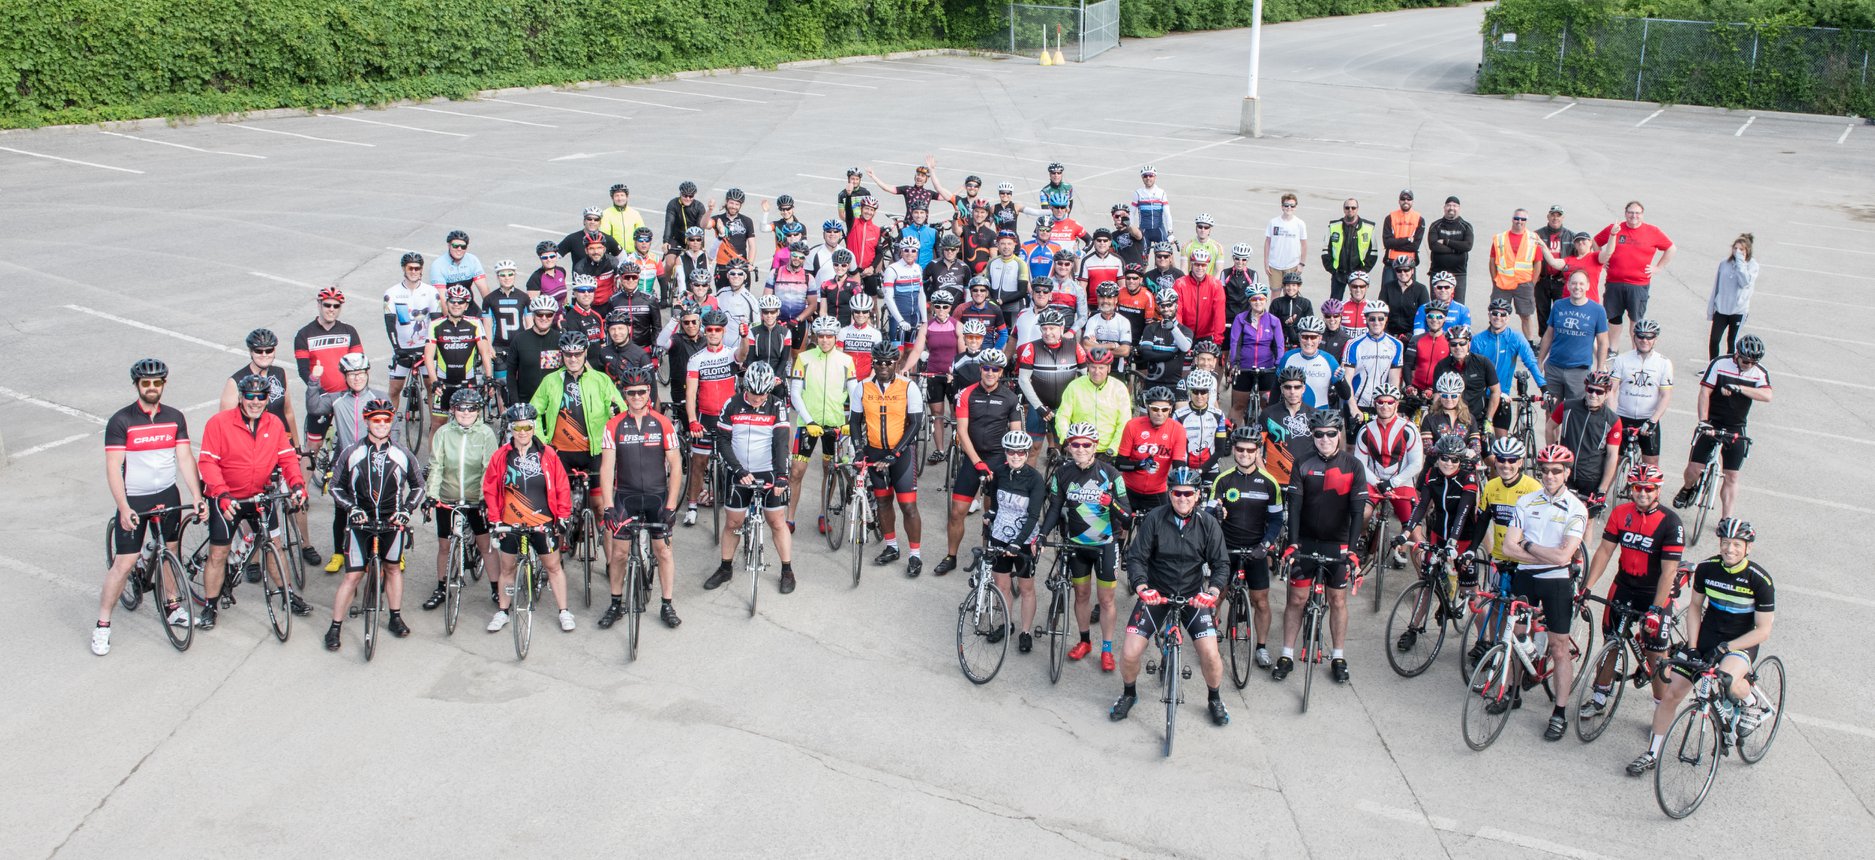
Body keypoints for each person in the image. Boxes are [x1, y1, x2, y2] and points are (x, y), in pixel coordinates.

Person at [1625, 518, 1774, 776]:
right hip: (1707, 637)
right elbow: (1695, 607)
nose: (1729, 549)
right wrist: (1693, 647)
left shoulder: (1759, 580)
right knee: (1672, 694)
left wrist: (1727, 647)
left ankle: (1750, 702)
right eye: (1725, 543)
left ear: (1748, 548)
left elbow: (1763, 631)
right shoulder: (1707, 568)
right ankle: (1652, 753)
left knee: (1728, 678)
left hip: (1740, 642)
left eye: (1736, 544)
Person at [96, 359, 206, 654]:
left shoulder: (175, 417)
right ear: (137, 385)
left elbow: (185, 458)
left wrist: (197, 495)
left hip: (167, 495)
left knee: (170, 550)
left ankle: (172, 606)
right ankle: (103, 624)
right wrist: (123, 507)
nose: (152, 387)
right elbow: (113, 467)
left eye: (157, 382)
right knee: (124, 563)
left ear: (163, 384)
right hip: (135, 498)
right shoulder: (121, 421)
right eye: (146, 383)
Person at [1109, 466, 1234, 726]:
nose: (1182, 498)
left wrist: (1212, 592)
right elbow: (1137, 558)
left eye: (1188, 493)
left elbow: (1221, 564)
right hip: (1157, 595)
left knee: (1211, 654)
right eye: (1177, 493)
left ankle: (1214, 699)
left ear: (1197, 495)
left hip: (1193, 596)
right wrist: (1142, 588)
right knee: (1130, 652)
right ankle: (1129, 694)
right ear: (1169, 493)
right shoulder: (1155, 519)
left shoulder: (1207, 523)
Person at [1496, 444, 1590, 740]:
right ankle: (1512, 692)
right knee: (1515, 638)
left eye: (1556, 471)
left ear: (1567, 473)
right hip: (1526, 578)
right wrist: (1544, 555)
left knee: (1559, 648)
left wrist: (1527, 546)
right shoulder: (1526, 501)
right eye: (1545, 470)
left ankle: (1559, 712)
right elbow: (1508, 547)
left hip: (1557, 582)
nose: (1549, 476)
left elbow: (1564, 557)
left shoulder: (1576, 508)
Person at [1579, 463, 1684, 719]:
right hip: (1624, 586)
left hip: (1654, 592)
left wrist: (1656, 609)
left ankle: (1661, 708)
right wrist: (1587, 587)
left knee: (1655, 655)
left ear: (1658, 490)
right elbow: (1605, 551)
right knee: (1611, 643)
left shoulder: (1671, 523)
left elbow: (1669, 572)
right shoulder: (1620, 513)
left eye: (1649, 488)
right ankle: (1599, 696)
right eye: (1638, 488)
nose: (1643, 493)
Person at [324, 398, 424, 652]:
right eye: (376, 420)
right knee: (352, 575)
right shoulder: (352, 452)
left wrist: (406, 510)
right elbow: (335, 487)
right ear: (366, 421)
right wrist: (352, 508)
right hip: (361, 522)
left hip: (392, 521)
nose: (381, 424)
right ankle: (335, 627)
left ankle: (395, 616)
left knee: (393, 569)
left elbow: (419, 486)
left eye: (386, 419)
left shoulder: (402, 454)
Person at [1273, 410, 1365, 684]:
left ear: (1339, 435)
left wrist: (1352, 550)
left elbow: (1357, 512)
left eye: (1331, 434)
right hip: (1306, 541)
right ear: (1312, 436)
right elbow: (1295, 506)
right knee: (1296, 600)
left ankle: (1338, 656)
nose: (1325, 439)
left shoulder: (1353, 466)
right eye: (1319, 434)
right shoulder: (1302, 463)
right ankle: (1287, 654)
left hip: (1338, 543)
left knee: (1337, 600)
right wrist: (1292, 543)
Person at [1040, 422, 1133, 671]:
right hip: (1077, 545)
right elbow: (1055, 508)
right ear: (1068, 447)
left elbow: (1127, 516)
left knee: (1106, 600)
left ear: (1095, 446)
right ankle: (1084, 641)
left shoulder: (1111, 474)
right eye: (1075, 444)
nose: (1080, 449)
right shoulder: (1062, 473)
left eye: (1086, 444)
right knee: (1081, 595)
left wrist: (1111, 503)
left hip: (1105, 545)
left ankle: (1107, 649)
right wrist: (1042, 534)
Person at [222, 329, 318, 566]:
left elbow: (288, 412)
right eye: (259, 351)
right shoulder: (236, 382)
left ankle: (305, 543)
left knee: (296, 494)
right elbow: (226, 425)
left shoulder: (279, 373)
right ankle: (254, 558)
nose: (264, 354)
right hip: (253, 451)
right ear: (251, 352)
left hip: (279, 444)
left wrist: (297, 447)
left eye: (269, 350)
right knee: (253, 503)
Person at [480, 403, 576, 635]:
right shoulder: (501, 456)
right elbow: (490, 489)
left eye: (527, 427)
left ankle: (564, 611)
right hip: (510, 522)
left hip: (542, 521)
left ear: (533, 428)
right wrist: (495, 520)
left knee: (553, 566)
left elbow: (562, 486)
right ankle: (503, 611)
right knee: (507, 568)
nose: (522, 432)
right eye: (517, 427)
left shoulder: (547, 454)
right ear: (510, 429)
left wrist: (563, 516)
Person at [703, 362, 797, 592]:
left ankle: (787, 571)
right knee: (733, 523)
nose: (757, 398)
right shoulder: (732, 404)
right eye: (754, 393)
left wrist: (782, 476)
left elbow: (781, 443)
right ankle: (725, 567)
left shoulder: (776, 406)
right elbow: (723, 441)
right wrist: (737, 469)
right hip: (739, 472)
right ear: (746, 387)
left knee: (777, 521)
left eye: (763, 394)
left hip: (768, 470)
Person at [530, 331, 625, 542]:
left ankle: (611, 558)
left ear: (585, 353)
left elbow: (621, 409)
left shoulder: (600, 380)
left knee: (600, 507)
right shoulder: (550, 381)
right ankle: (558, 549)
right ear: (562, 355)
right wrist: (542, 441)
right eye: (568, 354)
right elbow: (532, 413)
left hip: (594, 452)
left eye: (578, 354)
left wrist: (616, 412)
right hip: (560, 452)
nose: (573, 359)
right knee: (558, 508)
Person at [937, 348, 1020, 575]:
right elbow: (962, 432)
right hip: (973, 459)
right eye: (986, 368)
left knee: (991, 514)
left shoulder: (1010, 398)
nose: (990, 373)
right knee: (957, 512)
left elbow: (1016, 434)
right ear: (980, 369)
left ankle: (988, 555)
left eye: (995, 369)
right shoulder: (967, 393)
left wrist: (1011, 463)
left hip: (998, 459)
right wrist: (976, 462)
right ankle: (951, 556)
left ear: (1001, 372)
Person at [1210, 426, 1286, 668]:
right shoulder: (1223, 480)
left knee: (1260, 601)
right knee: (1217, 595)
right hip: (1227, 548)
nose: (1244, 454)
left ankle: (1261, 647)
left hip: (1256, 548)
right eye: (1240, 449)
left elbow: (1276, 520)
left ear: (1258, 452)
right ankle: (1210, 637)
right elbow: (1209, 515)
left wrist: (1266, 545)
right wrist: (1216, 513)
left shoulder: (1269, 483)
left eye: (1250, 450)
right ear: (1233, 450)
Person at [1673, 334, 1771, 519]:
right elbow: (1705, 392)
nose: (1749, 365)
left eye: (1753, 362)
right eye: (1745, 361)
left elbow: (1767, 395)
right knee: (1694, 468)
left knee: (1732, 476)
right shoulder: (1719, 363)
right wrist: (1703, 421)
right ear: (1737, 354)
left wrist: (1740, 388)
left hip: (1736, 425)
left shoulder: (1759, 372)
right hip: (1713, 422)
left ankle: (1726, 519)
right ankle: (1687, 488)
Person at [307, 353, 387, 573]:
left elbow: (394, 429)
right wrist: (314, 380)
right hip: (346, 465)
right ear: (344, 376)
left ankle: (393, 554)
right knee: (341, 512)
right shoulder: (337, 399)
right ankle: (338, 554)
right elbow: (314, 407)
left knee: (381, 511)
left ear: (367, 373)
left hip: (374, 463)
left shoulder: (379, 398)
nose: (357, 378)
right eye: (352, 374)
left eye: (360, 373)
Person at [421, 388, 499, 612]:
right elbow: (436, 466)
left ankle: (496, 588)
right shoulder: (444, 433)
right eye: (461, 408)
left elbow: (489, 469)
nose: (466, 413)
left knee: (485, 545)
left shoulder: (486, 434)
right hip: (448, 496)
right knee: (444, 546)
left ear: (478, 411)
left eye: (471, 408)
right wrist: (431, 496)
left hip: (476, 498)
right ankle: (441, 587)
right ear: (453, 410)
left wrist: (484, 499)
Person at [851, 345, 926, 576]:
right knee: (883, 502)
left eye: (888, 362)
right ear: (873, 362)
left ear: (897, 363)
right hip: (874, 453)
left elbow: (916, 423)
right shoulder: (863, 387)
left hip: (902, 455)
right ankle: (891, 546)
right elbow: (855, 422)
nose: (883, 366)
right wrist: (859, 449)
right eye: (879, 362)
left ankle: (915, 555)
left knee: (908, 506)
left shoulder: (909, 387)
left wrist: (896, 453)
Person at [1396, 434, 1481, 622]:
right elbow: (1421, 506)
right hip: (1438, 535)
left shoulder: (1467, 478)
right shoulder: (1432, 475)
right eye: (1445, 458)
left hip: (1463, 539)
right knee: (1427, 582)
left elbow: (1463, 513)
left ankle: (1483, 637)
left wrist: (1452, 542)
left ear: (1460, 460)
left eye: (1454, 459)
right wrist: (1406, 532)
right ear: (1438, 457)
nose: (1449, 463)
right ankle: (1413, 627)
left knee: (1471, 592)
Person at [978, 430, 1048, 651]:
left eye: (1020, 452)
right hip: (1000, 535)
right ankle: (1007, 624)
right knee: (1002, 586)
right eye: (1011, 452)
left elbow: (1033, 516)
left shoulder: (1035, 480)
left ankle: (1025, 632)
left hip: (1024, 539)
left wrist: (1018, 543)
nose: (1015, 456)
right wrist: (991, 515)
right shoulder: (999, 472)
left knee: (1026, 588)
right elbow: (995, 502)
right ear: (1005, 452)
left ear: (1026, 453)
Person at [789, 316, 857, 530]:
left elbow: (855, 394)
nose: (825, 340)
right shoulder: (804, 358)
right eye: (821, 336)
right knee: (796, 471)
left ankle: (823, 514)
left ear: (835, 337)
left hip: (835, 425)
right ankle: (789, 519)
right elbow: (795, 394)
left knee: (829, 470)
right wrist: (809, 420)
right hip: (808, 424)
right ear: (815, 337)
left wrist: (851, 421)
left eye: (829, 336)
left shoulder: (846, 361)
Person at [683, 309, 745, 521]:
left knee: (735, 461)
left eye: (717, 330)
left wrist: (745, 337)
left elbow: (743, 354)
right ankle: (692, 507)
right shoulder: (696, 359)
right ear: (705, 331)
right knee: (698, 463)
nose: (713, 333)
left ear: (723, 331)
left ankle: (737, 501)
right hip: (706, 417)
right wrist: (692, 420)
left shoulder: (730, 353)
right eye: (709, 329)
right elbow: (691, 393)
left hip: (729, 418)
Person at [1596, 201, 1675, 349]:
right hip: (1614, 282)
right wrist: (1601, 259)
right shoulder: (1615, 229)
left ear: (1642, 215)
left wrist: (1658, 268)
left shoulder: (1652, 231)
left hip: (1638, 284)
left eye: (1637, 213)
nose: (1634, 216)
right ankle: (1613, 349)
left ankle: (1635, 350)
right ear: (1625, 213)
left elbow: (1671, 248)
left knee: (1635, 319)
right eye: (1631, 212)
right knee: (1614, 318)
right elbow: (1595, 242)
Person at [295, 287, 366, 449]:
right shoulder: (304, 334)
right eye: (327, 305)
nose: (331, 309)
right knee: (314, 445)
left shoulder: (349, 331)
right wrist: (319, 392)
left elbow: (359, 365)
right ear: (319, 304)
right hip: (321, 397)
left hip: (347, 396)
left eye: (336, 306)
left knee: (354, 441)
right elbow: (303, 370)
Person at [1547, 371, 1622, 515]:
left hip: (1590, 477)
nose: (1593, 395)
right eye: (1590, 389)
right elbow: (1550, 427)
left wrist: (1603, 489)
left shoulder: (1613, 420)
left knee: (1586, 520)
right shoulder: (1567, 406)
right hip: (1565, 472)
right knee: (1557, 515)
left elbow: (1612, 456)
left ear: (1607, 394)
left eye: (1599, 392)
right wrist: (1553, 454)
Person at [424, 284, 495, 431]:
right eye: (453, 301)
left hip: (468, 384)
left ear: (466, 305)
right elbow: (428, 356)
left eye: (460, 301)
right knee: (437, 425)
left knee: (472, 425)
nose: (456, 305)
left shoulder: (475, 323)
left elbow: (485, 352)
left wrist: (489, 378)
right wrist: (434, 381)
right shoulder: (436, 325)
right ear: (447, 303)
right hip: (443, 384)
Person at [1605, 318, 1673, 469]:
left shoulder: (1664, 363)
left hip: (1648, 419)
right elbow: (1611, 390)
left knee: (1651, 464)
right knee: (1614, 460)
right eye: (1641, 336)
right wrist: (1612, 415)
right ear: (1634, 337)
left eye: (1649, 337)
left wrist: (1653, 420)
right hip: (1623, 416)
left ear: (1655, 339)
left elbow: (1665, 395)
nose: (1645, 340)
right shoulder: (1622, 359)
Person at [1015, 309, 1087, 451]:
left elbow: (1085, 379)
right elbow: (1023, 380)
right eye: (1044, 328)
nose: (1048, 332)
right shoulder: (1031, 347)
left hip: (1065, 406)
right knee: (1034, 448)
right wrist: (1039, 407)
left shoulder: (1074, 347)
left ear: (1061, 328)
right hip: (1038, 405)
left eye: (1052, 328)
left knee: (1065, 447)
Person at [1469, 298, 1542, 438]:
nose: (1498, 317)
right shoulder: (1478, 340)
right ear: (1489, 315)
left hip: (1503, 396)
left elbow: (1531, 363)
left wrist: (1543, 387)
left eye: (1503, 314)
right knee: (1479, 439)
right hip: (1482, 396)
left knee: (1502, 441)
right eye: (1495, 313)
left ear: (1508, 318)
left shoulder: (1516, 338)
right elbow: (1471, 370)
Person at [1536, 270, 1610, 403]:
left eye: (1581, 284)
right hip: (1554, 368)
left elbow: (1603, 342)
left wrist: (1600, 368)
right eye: (1574, 283)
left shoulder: (1598, 310)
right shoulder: (1558, 305)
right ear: (1568, 285)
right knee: (1551, 408)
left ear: (1588, 286)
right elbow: (1548, 334)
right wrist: (1540, 361)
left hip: (1579, 371)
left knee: (1576, 410)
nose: (1577, 287)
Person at [1116, 385, 1187, 513]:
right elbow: (1119, 464)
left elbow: (1178, 466)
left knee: (1159, 525)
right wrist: (1141, 464)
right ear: (1147, 407)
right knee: (1121, 524)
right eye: (1155, 409)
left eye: (1164, 409)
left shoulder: (1178, 430)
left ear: (1170, 410)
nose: (1160, 413)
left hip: (1157, 493)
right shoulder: (1133, 425)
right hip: (1128, 489)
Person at [383, 252, 440, 410]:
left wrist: (434, 347)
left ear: (421, 269)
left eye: (417, 268)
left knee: (432, 387)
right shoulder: (391, 293)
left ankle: (434, 423)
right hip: (402, 348)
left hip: (425, 347)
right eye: (410, 268)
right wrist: (396, 348)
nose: (414, 271)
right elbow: (390, 324)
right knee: (394, 390)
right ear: (404, 268)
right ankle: (391, 423)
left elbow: (436, 322)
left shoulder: (431, 291)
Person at [1054, 347, 1131, 459]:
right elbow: (1062, 416)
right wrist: (1066, 440)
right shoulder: (1074, 386)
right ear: (1088, 367)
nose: (1097, 371)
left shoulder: (1119, 388)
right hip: (1080, 448)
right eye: (1093, 367)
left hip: (1107, 450)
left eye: (1101, 367)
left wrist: (1112, 449)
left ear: (1109, 368)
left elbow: (1124, 422)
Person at [1431, 327, 1499, 451]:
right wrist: (1435, 419)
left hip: (1478, 418)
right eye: (1453, 344)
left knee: (1491, 457)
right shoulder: (1441, 366)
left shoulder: (1483, 363)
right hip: (1452, 421)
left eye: (1462, 343)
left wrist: (1489, 420)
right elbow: (1437, 396)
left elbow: (1495, 391)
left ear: (1469, 344)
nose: (1458, 347)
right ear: (1449, 346)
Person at [1227, 283, 1286, 423]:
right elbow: (1235, 343)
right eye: (1254, 299)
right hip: (1244, 367)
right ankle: (1231, 435)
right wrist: (1235, 363)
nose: (1258, 302)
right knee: (1238, 405)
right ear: (1249, 301)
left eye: (1261, 298)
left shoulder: (1274, 321)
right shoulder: (1240, 319)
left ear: (1266, 300)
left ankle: (1268, 435)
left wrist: (1279, 366)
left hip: (1267, 368)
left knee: (1268, 405)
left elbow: (1279, 345)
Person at [1340, 300, 1404, 416]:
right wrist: (1353, 407)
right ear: (1366, 320)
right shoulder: (1353, 344)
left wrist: (1394, 407)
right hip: (1357, 403)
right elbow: (1347, 378)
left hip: (1382, 404)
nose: (1376, 322)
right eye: (1372, 319)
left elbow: (1394, 380)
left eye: (1380, 318)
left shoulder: (1396, 345)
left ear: (1386, 319)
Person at [1255, 366, 1316, 487]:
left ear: (1303, 389)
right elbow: (1254, 448)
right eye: (1288, 387)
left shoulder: (1315, 415)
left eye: (1297, 387)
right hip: (1275, 482)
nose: (1292, 391)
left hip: (1306, 481)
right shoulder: (1268, 414)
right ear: (1281, 389)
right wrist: (1265, 476)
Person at [1488, 209, 1543, 339]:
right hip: (1502, 284)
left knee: (1526, 315)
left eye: (1523, 219)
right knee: (1497, 314)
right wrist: (1495, 279)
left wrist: (1532, 283)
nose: (1519, 221)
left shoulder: (1533, 238)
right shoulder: (1499, 238)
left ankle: (1529, 343)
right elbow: (1492, 261)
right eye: (1517, 218)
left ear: (1526, 221)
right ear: (1512, 219)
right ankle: (1495, 340)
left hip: (1524, 284)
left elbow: (1538, 262)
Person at [504, 296, 565, 408]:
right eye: (540, 314)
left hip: (554, 403)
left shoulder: (561, 340)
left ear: (554, 316)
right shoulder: (519, 340)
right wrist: (515, 403)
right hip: (526, 403)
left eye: (549, 314)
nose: (544, 318)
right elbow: (511, 374)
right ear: (533, 315)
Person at [1706, 233, 1758, 360]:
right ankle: (1713, 364)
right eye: (1735, 248)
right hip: (1721, 309)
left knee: (1732, 342)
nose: (1737, 252)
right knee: (1714, 339)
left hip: (1738, 311)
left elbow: (1744, 282)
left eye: (1741, 249)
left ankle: (1730, 366)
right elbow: (1717, 286)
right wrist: (1711, 308)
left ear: (1747, 251)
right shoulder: (1724, 263)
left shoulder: (1752, 266)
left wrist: (1741, 263)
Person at [1173, 370, 1230, 479]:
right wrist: (1183, 471)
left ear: (1209, 393)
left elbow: (1220, 450)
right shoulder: (1178, 415)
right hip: (1185, 468)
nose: (1199, 396)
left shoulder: (1218, 415)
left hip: (1210, 467)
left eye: (1203, 391)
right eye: (1195, 391)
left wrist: (1201, 470)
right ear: (1189, 392)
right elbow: (1176, 449)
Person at [1134, 288, 1193, 392]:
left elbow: (1184, 347)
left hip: (1176, 384)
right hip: (1152, 383)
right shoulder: (1151, 328)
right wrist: (1171, 355)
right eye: (1162, 306)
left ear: (1176, 305)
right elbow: (1146, 354)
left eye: (1169, 305)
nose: (1166, 309)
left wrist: (1172, 328)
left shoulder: (1185, 331)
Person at [1322, 198, 1378, 301]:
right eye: (1347, 208)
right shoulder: (1333, 226)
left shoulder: (1368, 227)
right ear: (1343, 209)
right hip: (1339, 273)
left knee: (1358, 301)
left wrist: (1364, 270)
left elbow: (1373, 252)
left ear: (1357, 209)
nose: (1350, 210)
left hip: (1358, 273)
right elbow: (1326, 250)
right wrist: (1333, 270)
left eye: (1353, 208)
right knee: (1335, 303)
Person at [1404, 300, 1453, 411]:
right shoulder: (1416, 339)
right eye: (1431, 316)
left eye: (1439, 317)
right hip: (1416, 390)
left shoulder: (1449, 342)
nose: (1434, 320)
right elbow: (1407, 364)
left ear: (1445, 319)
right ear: (1426, 318)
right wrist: (1409, 386)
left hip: (1438, 391)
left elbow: (1449, 369)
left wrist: (1433, 389)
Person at [1419, 372, 1482, 457]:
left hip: (1461, 462)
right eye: (1445, 395)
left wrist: (1469, 452)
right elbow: (1427, 448)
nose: (1449, 399)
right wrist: (1446, 451)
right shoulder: (1429, 418)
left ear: (1459, 396)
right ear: (1440, 396)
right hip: (1438, 462)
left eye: (1453, 396)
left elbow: (1476, 445)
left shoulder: (1469, 418)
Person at [1173, 249, 1228, 346]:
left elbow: (1219, 314)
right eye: (1196, 264)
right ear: (1191, 264)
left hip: (1206, 335)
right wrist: (1180, 335)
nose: (1200, 268)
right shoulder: (1180, 284)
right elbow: (1177, 313)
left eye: (1203, 265)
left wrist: (1218, 341)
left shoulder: (1215, 284)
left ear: (1207, 265)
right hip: (1185, 334)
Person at [1426, 195, 1475, 302]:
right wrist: (1456, 250)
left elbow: (1467, 246)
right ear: (1444, 208)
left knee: (1458, 306)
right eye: (1448, 205)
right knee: (1436, 305)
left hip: (1459, 273)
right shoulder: (1435, 225)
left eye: (1454, 205)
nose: (1451, 208)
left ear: (1459, 208)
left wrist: (1446, 242)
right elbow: (1433, 246)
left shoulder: (1466, 226)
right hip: (1437, 272)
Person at [1533, 205, 1571, 335]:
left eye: (1558, 215)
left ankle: (1559, 338)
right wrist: (1534, 275)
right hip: (1542, 280)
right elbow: (1528, 256)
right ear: (1548, 217)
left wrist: (1568, 276)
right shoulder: (1537, 235)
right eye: (1553, 215)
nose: (1555, 218)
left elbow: (1576, 259)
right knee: (1542, 311)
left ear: (1563, 218)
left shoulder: (1570, 236)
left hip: (1560, 281)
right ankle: (1544, 339)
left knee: (1561, 312)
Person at [429, 229, 488, 306]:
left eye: (463, 246)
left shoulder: (472, 260)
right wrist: (449, 314)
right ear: (449, 245)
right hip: (449, 306)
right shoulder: (438, 265)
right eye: (455, 246)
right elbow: (442, 299)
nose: (459, 249)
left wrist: (490, 310)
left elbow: (484, 289)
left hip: (467, 304)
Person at [1379, 190, 1424, 291]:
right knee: (1387, 293)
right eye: (1403, 199)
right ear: (1399, 201)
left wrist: (1395, 244)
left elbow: (1415, 246)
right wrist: (1407, 239)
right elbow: (1387, 243)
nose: (1406, 201)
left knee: (1410, 293)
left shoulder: (1419, 219)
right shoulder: (1390, 217)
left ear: (1412, 201)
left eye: (1409, 199)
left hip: (1409, 263)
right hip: (1391, 262)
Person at [1380, 256, 1428, 339]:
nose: (1402, 273)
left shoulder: (1421, 289)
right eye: (1399, 270)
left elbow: (1424, 315)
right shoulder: (1387, 287)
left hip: (1413, 335)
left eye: (1406, 270)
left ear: (1412, 271)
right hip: (1390, 334)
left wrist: (1412, 335)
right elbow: (1381, 312)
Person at [1412, 271, 1471, 336]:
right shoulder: (1423, 308)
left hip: (1452, 342)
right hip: (1429, 341)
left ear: (1452, 289)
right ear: (1434, 289)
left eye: (1446, 287)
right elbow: (1418, 334)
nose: (1443, 290)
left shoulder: (1463, 310)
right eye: (1439, 287)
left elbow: (1465, 335)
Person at [662, 181, 708, 257]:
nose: (688, 198)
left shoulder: (699, 207)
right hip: (676, 238)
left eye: (691, 196)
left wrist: (701, 246)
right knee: (670, 260)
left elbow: (700, 228)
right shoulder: (673, 204)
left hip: (692, 239)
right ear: (680, 194)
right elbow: (669, 223)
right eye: (685, 195)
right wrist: (665, 241)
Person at [1130, 165, 1172, 244]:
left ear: (1155, 177)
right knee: (1142, 252)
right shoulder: (1138, 193)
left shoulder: (1161, 193)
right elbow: (1131, 213)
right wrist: (1131, 228)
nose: (1148, 178)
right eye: (1145, 176)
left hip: (1159, 229)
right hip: (1144, 230)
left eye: (1150, 175)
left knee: (1166, 250)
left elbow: (1167, 214)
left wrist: (1170, 232)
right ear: (1142, 178)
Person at [598, 183, 645, 251]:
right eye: (616, 196)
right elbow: (605, 235)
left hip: (632, 253)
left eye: (622, 195)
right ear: (612, 198)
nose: (619, 198)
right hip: (615, 253)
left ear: (627, 197)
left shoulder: (635, 213)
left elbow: (642, 234)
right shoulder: (606, 214)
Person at [1271, 272, 1313, 346]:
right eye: (1288, 285)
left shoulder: (1306, 303)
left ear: (1298, 286)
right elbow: (1271, 323)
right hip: (1280, 341)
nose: (1290, 288)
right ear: (1284, 286)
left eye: (1294, 285)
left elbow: (1309, 324)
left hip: (1299, 341)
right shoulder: (1276, 302)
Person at [528, 241, 569, 305]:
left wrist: (568, 309)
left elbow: (565, 300)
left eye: (552, 256)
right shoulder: (535, 278)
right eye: (545, 257)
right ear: (540, 258)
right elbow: (532, 305)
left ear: (556, 256)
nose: (549, 260)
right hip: (547, 311)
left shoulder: (561, 271)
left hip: (562, 311)